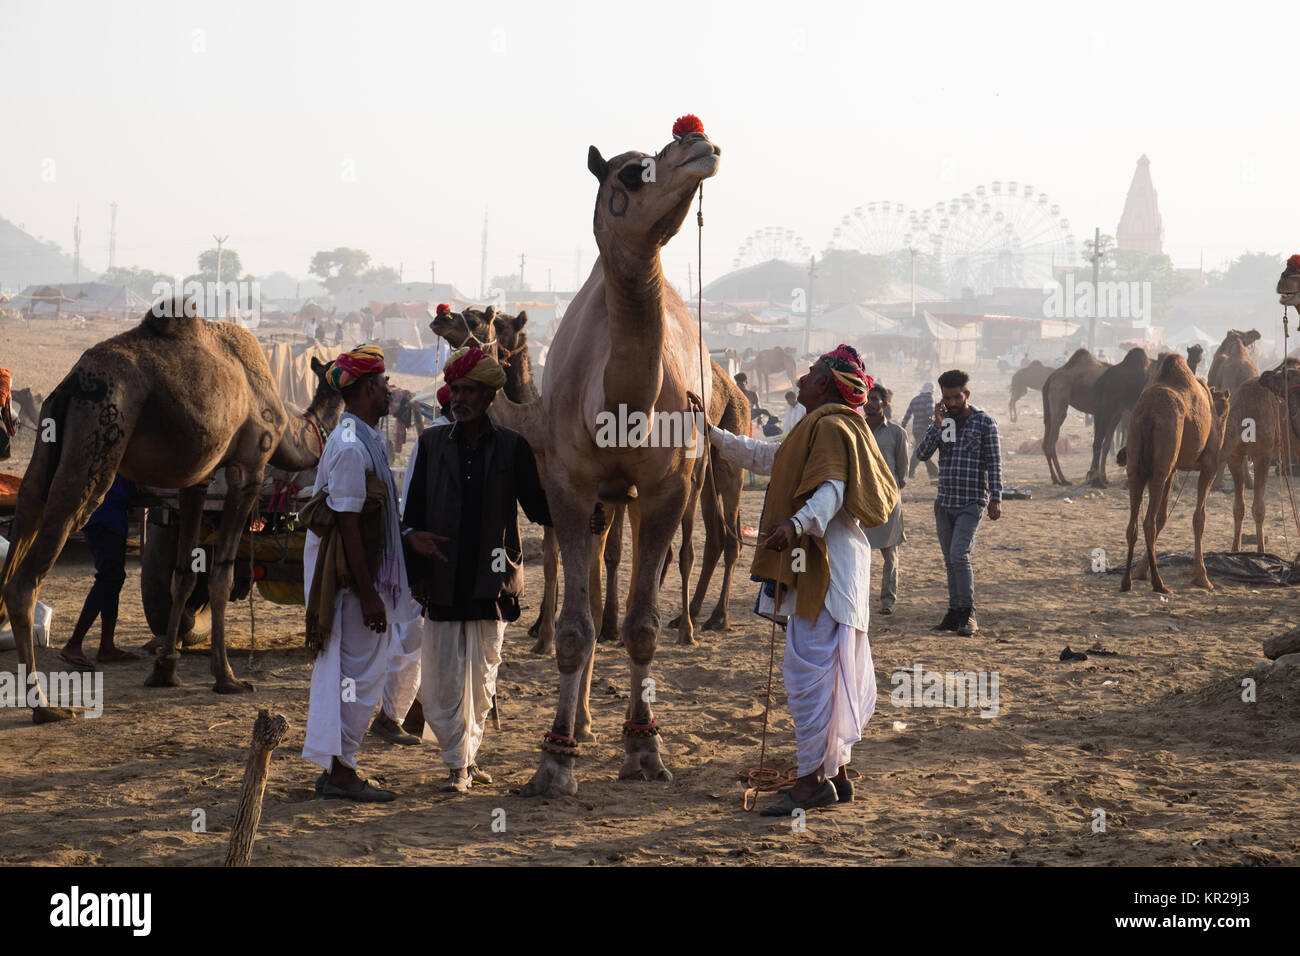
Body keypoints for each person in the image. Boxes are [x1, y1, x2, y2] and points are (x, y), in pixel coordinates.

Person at [689, 344, 898, 817]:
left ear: (825, 384)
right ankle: (835, 774)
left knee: (808, 675)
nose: (801, 377)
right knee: (826, 674)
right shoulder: (816, 427)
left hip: (823, 568)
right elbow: (767, 457)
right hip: (827, 568)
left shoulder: (828, 427)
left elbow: (832, 490)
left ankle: (809, 784)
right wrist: (712, 434)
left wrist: (795, 525)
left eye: (811, 373)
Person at [403, 346, 552, 793]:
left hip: (492, 582)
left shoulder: (513, 447)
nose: (458, 399)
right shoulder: (431, 444)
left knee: (483, 679)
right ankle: (457, 764)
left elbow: (540, 507)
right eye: (456, 390)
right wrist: (415, 554)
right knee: (443, 679)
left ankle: (466, 757)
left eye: (469, 391)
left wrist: (586, 509)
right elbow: (411, 517)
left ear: (489, 397)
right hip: (442, 580)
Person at [301, 344, 408, 802]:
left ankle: (338, 767)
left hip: (365, 581)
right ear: (367, 389)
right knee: (358, 679)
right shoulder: (348, 447)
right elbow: (347, 524)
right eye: (383, 385)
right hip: (351, 586)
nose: (389, 392)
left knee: (355, 676)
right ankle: (343, 773)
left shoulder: (366, 438)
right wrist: (368, 596)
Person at [914, 368, 1003, 637]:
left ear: (966, 394)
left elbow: (995, 463)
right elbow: (921, 454)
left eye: (956, 397)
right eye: (947, 398)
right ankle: (954, 613)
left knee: (959, 555)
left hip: (971, 500)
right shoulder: (944, 423)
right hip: (945, 501)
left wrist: (996, 498)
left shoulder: (984, 422)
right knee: (949, 560)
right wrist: (937, 425)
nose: (952, 403)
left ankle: (968, 613)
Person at [58, 475, 139, 667]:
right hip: (105, 517)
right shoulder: (111, 451)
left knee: (115, 578)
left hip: (111, 516)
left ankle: (107, 646)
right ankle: (74, 644)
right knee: (108, 577)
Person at [863, 384, 908, 615]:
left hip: (888, 499)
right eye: (867, 398)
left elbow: (902, 473)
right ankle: (860, 598)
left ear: (884, 403)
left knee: (890, 552)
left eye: (875, 399)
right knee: (858, 550)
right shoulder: (856, 429)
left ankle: (887, 600)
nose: (869, 402)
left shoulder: (896, 433)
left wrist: (890, 490)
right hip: (861, 498)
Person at [900, 382, 939, 479]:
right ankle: (911, 472)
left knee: (923, 449)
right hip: (925, 429)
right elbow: (930, 412)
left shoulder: (915, 399)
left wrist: (902, 427)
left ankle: (932, 472)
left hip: (916, 429)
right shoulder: (929, 398)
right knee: (920, 451)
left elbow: (907, 415)